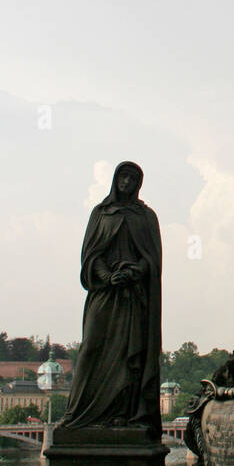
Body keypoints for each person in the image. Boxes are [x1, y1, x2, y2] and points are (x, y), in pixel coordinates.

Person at [62, 161, 163, 431]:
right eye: (123, 176)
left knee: (129, 355)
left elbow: (152, 261)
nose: (127, 182)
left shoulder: (146, 217)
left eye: (133, 178)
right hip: (104, 294)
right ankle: (77, 413)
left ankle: (124, 414)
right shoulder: (101, 214)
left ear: (139, 184)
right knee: (91, 346)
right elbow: (90, 257)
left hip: (133, 297)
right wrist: (107, 277)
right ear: (116, 179)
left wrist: (133, 272)